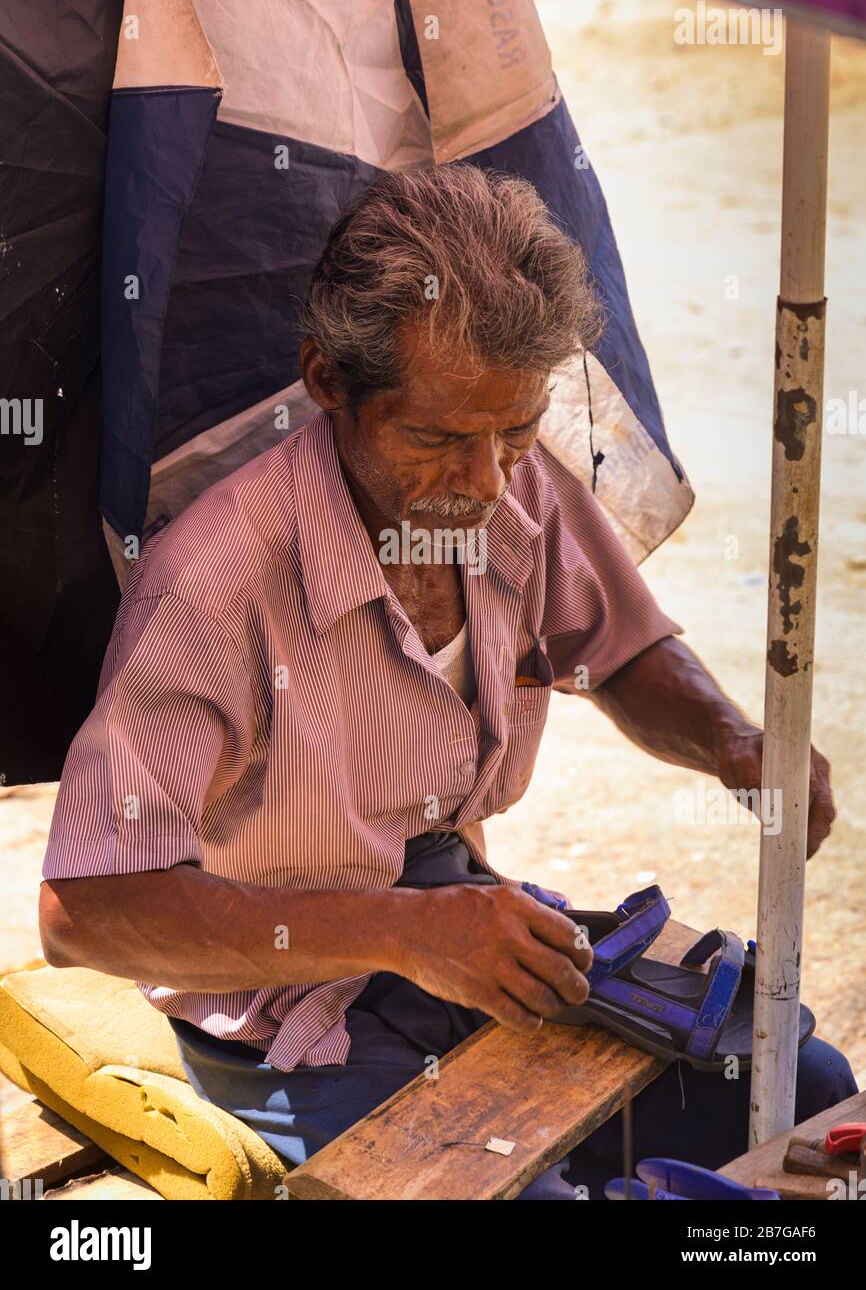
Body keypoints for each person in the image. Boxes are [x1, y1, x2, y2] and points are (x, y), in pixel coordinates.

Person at [39, 165, 856, 1199]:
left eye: (513, 433)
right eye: (434, 440)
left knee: (804, 1088)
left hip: (461, 927)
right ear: (328, 381)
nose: (482, 484)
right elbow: (85, 912)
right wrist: (399, 929)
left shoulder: (511, 482)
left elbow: (619, 647)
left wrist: (733, 742)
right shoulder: (210, 587)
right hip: (279, 1012)